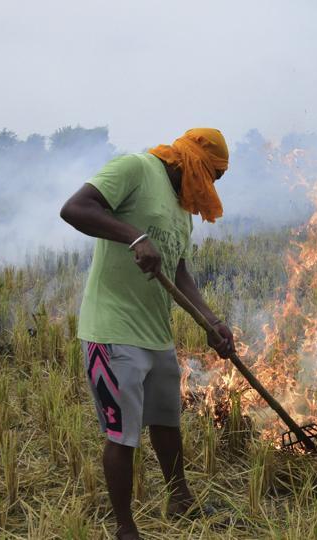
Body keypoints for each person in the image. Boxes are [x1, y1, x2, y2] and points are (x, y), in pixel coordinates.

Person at [59, 128, 236, 539]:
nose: (210, 187)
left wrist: (210, 321)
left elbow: (178, 272)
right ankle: (126, 528)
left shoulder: (182, 208)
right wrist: (134, 236)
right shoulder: (136, 167)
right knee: (123, 435)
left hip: (156, 334)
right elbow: (74, 209)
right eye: (211, 175)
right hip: (113, 330)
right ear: (191, 160)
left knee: (166, 423)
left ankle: (180, 501)